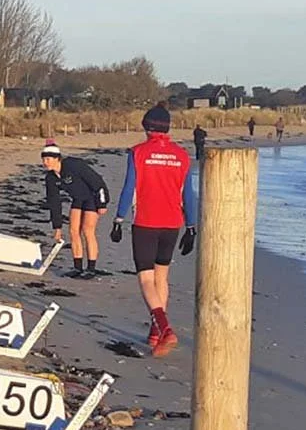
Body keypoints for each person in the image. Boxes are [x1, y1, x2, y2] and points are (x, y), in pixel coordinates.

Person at [109, 104, 199, 357]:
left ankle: (166, 328)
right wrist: (191, 227)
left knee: (146, 279)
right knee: (162, 277)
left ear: (147, 128)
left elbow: (129, 189)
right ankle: (155, 333)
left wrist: (118, 219)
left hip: (146, 223)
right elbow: (188, 195)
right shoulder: (182, 155)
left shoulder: (138, 152)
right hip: (173, 224)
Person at [42, 140, 110, 278]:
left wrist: (102, 203)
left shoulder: (73, 165)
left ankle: (91, 268)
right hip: (78, 199)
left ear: (57, 159)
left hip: (93, 198)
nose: (45, 162)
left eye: (48, 159)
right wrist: (57, 227)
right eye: (43, 159)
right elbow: (54, 202)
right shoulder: (50, 178)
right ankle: (77, 267)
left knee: (87, 230)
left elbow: (98, 182)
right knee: (73, 231)